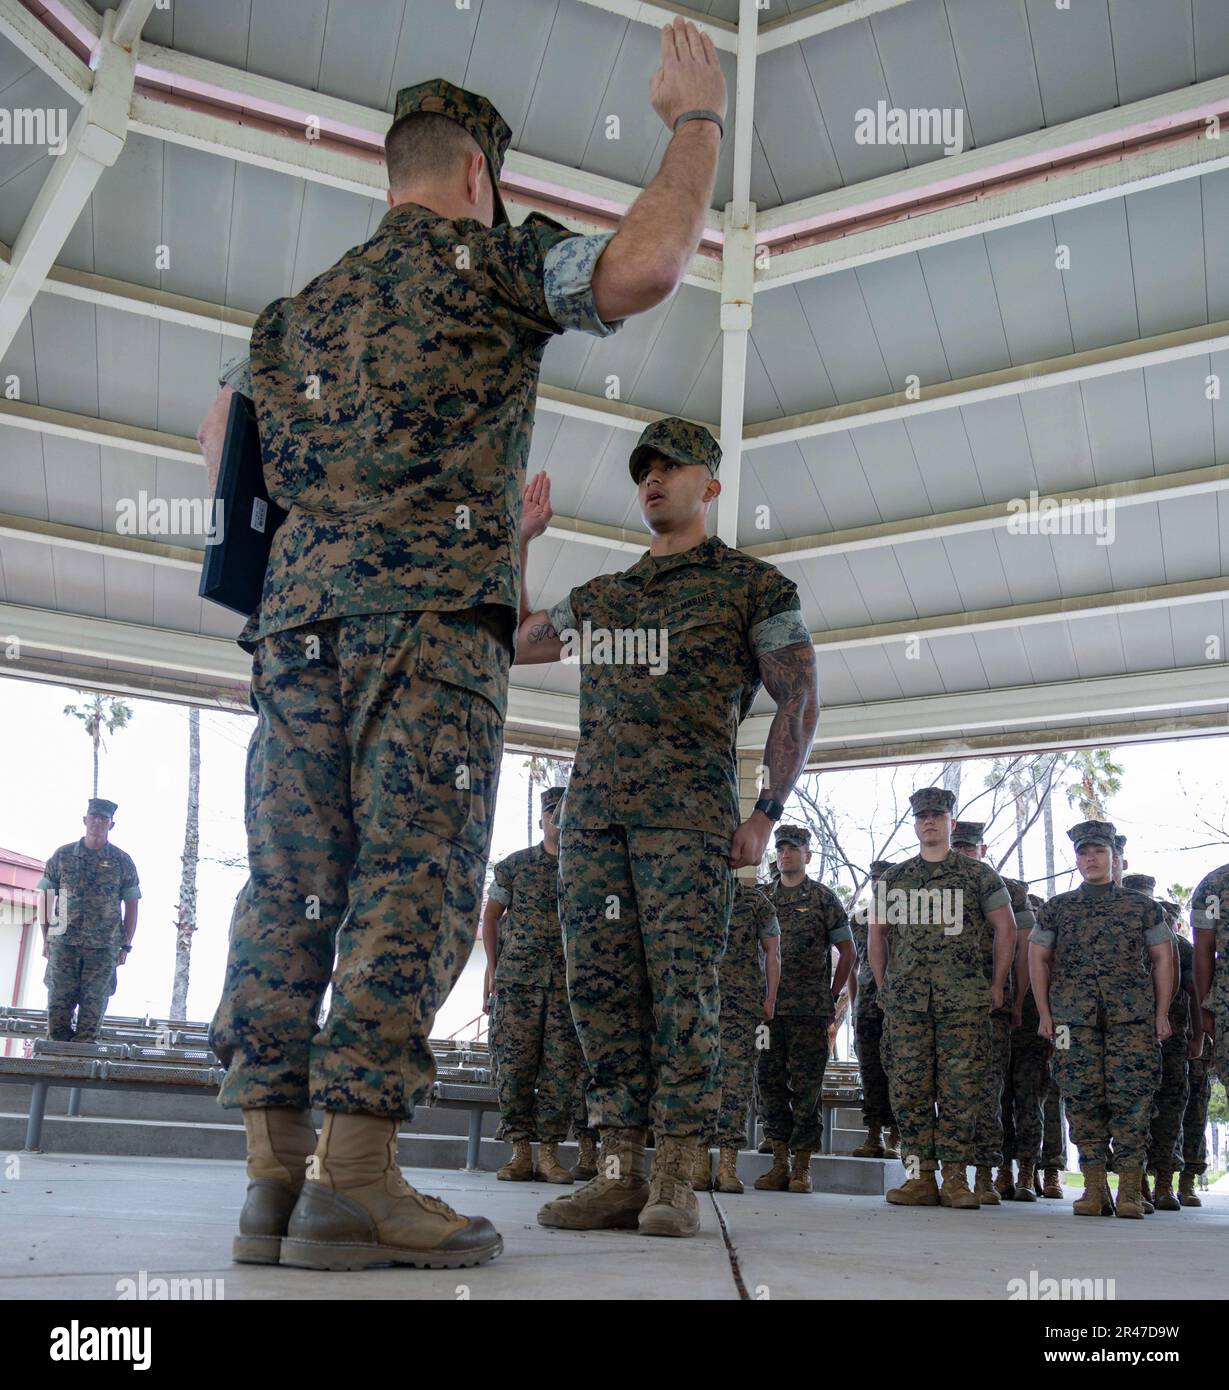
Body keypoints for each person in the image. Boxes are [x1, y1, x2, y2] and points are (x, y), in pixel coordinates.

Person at [200, 20, 729, 1271]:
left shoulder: (294, 315)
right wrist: (693, 125)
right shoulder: (488, 262)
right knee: (409, 881)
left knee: (287, 883)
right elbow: (646, 267)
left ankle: (270, 1183)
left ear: (393, 168)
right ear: (481, 176)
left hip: (292, 633)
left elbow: (226, 455)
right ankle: (358, 1181)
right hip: (427, 634)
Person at [517, 416, 818, 1238]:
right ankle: (618, 1175)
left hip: (688, 825)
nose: (652, 480)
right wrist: (520, 542)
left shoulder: (753, 587)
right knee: (600, 995)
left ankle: (677, 1181)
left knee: (683, 993)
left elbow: (797, 698)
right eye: (642, 469)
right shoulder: (604, 597)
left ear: (708, 486)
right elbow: (514, 642)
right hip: (594, 826)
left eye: (671, 467)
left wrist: (766, 813)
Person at [869, 787, 1016, 1210]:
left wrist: (996, 984)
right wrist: (884, 985)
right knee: (909, 1089)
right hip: (907, 1002)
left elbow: (1005, 930)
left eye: (937, 815)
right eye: (922, 817)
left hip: (963, 1000)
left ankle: (955, 1179)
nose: (929, 822)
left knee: (961, 1089)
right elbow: (876, 935)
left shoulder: (978, 875)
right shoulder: (894, 879)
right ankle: (919, 1179)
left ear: (951, 822)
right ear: (915, 825)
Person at [1029, 822, 1173, 1219]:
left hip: (1133, 1019)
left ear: (1114, 857)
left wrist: (1161, 1013)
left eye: (1098, 852)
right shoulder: (1057, 908)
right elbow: (1038, 959)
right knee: (1079, 1097)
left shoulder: (1143, 907)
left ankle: (1129, 1188)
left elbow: (1164, 959)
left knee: (1134, 1099)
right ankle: (1094, 1188)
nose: (1090, 859)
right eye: (1083, 853)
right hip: (1070, 1021)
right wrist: (1044, 1013)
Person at [482, 786, 581, 1184]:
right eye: (552, 812)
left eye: (565, 812)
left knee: (560, 1071)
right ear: (542, 819)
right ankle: (520, 1152)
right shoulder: (515, 866)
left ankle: (550, 1156)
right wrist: (492, 969)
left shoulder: (586, 871)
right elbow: (490, 918)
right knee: (515, 1068)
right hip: (518, 983)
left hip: (567, 989)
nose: (558, 818)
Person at [754, 826, 854, 1194]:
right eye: (780, 849)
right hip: (768, 1012)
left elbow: (848, 952)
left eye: (793, 849)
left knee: (808, 1087)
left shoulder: (823, 899)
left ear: (808, 855)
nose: (785, 855)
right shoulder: (762, 898)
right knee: (768, 1083)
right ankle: (778, 1162)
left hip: (809, 1010)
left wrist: (830, 995)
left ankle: (802, 1167)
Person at [949, 821, 1034, 1205]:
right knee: (945, 1092)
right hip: (944, 1005)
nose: (964, 853)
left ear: (984, 850)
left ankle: (985, 1174)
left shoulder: (1009, 892)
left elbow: (1023, 952)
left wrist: (1014, 1000)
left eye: (970, 848)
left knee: (988, 1090)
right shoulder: (931, 886)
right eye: (959, 847)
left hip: (989, 1005)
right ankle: (947, 1176)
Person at [695, 877, 780, 1194]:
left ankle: (728, 1164)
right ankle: (698, 1162)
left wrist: (770, 999)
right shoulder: (695, 893)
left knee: (737, 1083)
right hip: (699, 1003)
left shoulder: (756, 902)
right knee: (699, 1080)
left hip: (742, 1007)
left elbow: (773, 951)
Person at [36, 798, 140, 1043]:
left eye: (103, 819)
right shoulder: (62, 856)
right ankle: (52, 1072)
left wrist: (125, 945)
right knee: (57, 1011)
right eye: (93, 817)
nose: (97, 822)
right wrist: (46, 938)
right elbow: (45, 898)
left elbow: (132, 905)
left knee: (91, 1019)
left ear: (111, 825)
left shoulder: (122, 861)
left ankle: (78, 1075)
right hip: (63, 944)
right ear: (85, 820)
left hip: (103, 949)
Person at [1122, 874, 1195, 1212]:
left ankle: (1165, 1180)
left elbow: (1194, 993)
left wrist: (1198, 1035)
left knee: (1169, 1110)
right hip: (1128, 1038)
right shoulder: (1117, 941)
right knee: (1132, 1111)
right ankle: (1135, 1182)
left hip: (1172, 1039)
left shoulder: (1179, 946)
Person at [847, 859, 898, 1159]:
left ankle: (897, 1134)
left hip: (899, 1006)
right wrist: (854, 1005)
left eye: (884, 879)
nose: (878, 884)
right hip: (867, 1006)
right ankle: (874, 1133)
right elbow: (853, 965)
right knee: (870, 1070)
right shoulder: (859, 919)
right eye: (875, 879)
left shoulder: (907, 915)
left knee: (900, 1071)